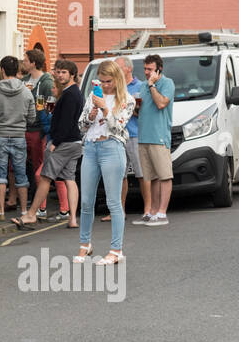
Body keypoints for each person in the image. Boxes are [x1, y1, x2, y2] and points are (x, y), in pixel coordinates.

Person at [75, 60, 134, 267]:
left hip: (112, 148)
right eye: (101, 81)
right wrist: (90, 116)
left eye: (108, 81)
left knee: (113, 201)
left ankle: (116, 249)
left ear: (117, 79)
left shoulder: (127, 99)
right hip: (91, 147)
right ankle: (85, 244)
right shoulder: (93, 96)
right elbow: (81, 126)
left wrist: (106, 110)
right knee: (86, 201)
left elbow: (118, 127)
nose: (105, 85)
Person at [21, 60, 84, 229]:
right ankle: (72, 219)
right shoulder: (74, 92)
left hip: (63, 143)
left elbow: (66, 122)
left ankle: (31, 214)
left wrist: (55, 142)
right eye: (58, 71)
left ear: (72, 74)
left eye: (64, 72)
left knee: (45, 178)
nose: (60, 75)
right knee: (70, 179)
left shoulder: (70, 94)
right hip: (74, 142)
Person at [0, 55, 36, 224]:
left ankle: (1, 211)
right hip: (19, 135)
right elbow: (32, 118)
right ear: (17, 70)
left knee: (1, 174)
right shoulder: (26, 91)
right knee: (21, 174)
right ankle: (24, 210)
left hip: (0, 134)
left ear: (2, 70)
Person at [133, 54, 176, 226]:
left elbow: (161, 104)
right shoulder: (143, 86)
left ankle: (162, 213)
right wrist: (134, 108)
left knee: (165, 176)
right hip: (144, 136)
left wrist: (152, 85)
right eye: (145, 69)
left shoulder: (167, 83)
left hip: (159, 136)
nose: (146, 72)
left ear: (159, 69)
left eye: (149, 69)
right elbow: (140, 112)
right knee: (151, 177)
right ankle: (152, 212)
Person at [109, 57, 151, 224]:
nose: (115, 70)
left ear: (128, 68)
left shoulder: (140, 87)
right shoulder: (113, 88)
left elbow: (144, 113)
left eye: (117, 67)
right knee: (119, 175)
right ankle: (120, 212)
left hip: (134, 134)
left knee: (142, 173)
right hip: (117, 136)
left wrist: (132, 109)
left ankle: (148, 209)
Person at [24, 49, 55, 214]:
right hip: (25, 126)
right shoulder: (24, 80)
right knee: (25, 164)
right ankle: (32, 197)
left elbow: (49, 107)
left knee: (38, 165)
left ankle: (40, 203)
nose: (23, 62)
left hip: (39, 129)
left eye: (26, 60)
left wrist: (45, 127)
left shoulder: (47, 83)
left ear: (33, 63)